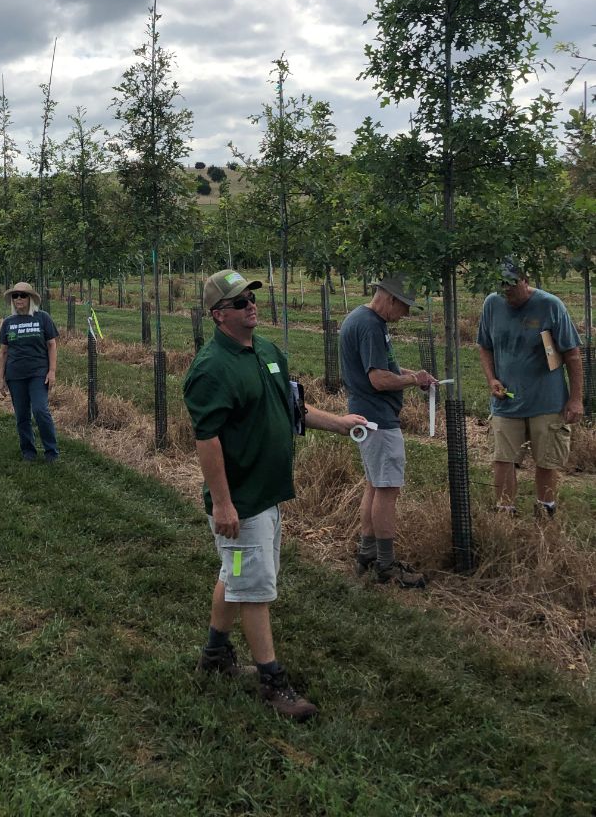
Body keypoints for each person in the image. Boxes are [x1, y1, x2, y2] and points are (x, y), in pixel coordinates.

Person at [184, 268, 365, 722]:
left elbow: (294, 407)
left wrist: (339, 423)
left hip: (267, 494)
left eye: (252, 297)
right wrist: (224, 503)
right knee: (255, 588)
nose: (251, 305)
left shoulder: (266, 351)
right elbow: (207, 441)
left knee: (237, 573)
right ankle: (272, 681)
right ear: (218, 314)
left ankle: (215, 654)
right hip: (242, 503)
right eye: (240, 301)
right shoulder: (210, 369)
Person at [339, 273, 435, 588]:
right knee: (388, 490)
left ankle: (367, 554)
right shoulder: (369, 326)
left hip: (368, 416)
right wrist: (411, 380)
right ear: (390, 299)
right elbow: (379, 379)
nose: (404, 315)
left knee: (375, 485)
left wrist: (415, 375)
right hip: (378, 419)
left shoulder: (361, 318)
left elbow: (386, 368)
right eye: (404, 307)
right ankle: (385, 564)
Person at [477, 258, 583, 518]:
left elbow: (572, 354)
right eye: (502, 285)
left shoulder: (550, 306)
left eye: (512, 285)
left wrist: (576, 398)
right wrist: (492, 379)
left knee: (546, 460)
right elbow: (484, 346)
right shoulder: (492, 304)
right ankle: (505, 512)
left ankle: (545, 512)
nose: (507, 292)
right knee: (503, 459)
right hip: (506, 401)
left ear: (526, 280)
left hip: (546, 401)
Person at [0, 281, 59, 463]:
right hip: (15, 375)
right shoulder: (8, 322)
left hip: (38, 373)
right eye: (15, 296)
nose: (18, 299)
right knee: (22, 415)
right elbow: (3, 351)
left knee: (41, 410)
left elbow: (52, 344)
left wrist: (52, 371)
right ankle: (28, 451)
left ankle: (51, 451)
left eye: (22, 295)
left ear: (30, 298)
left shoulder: (43, 318)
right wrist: (0, 377)